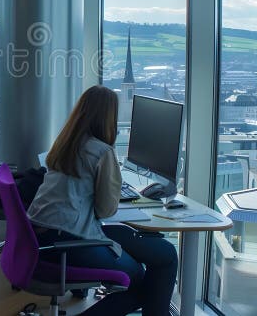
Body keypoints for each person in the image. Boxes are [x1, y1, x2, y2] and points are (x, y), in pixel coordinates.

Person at [27, 85, 178, 316]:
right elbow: (106, 210)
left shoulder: (65, 143)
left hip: (42, 236)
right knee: (137, 278)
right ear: (109, 118)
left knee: (163, 253)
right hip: (68, 239)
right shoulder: (101, 151)